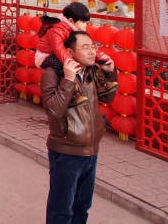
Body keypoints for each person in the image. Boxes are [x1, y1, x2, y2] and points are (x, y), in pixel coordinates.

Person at [41, 30, 116, 224]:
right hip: (67, 151)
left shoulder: (91, 71)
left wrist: (110, 74)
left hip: (91, 150)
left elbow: (108, 98)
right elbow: (54, 110)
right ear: (70, 52)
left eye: (93, 47)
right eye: (85, 48)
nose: (92, 52)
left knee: (82, 207)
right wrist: (68, 79)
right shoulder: (54, 72)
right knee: (62, 209)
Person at [35, 2, 115, 107]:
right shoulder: (56, 30)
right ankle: (73, 95)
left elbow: (89, 46)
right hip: (46, 56)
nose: (85, 25)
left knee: (89, 62)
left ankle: (101, 84)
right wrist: (72, 64)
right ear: (71, 20)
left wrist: (101, 58)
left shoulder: (74, 28)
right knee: (62, 67)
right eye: (83, 22)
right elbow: (59, 49)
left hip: (63, 52)